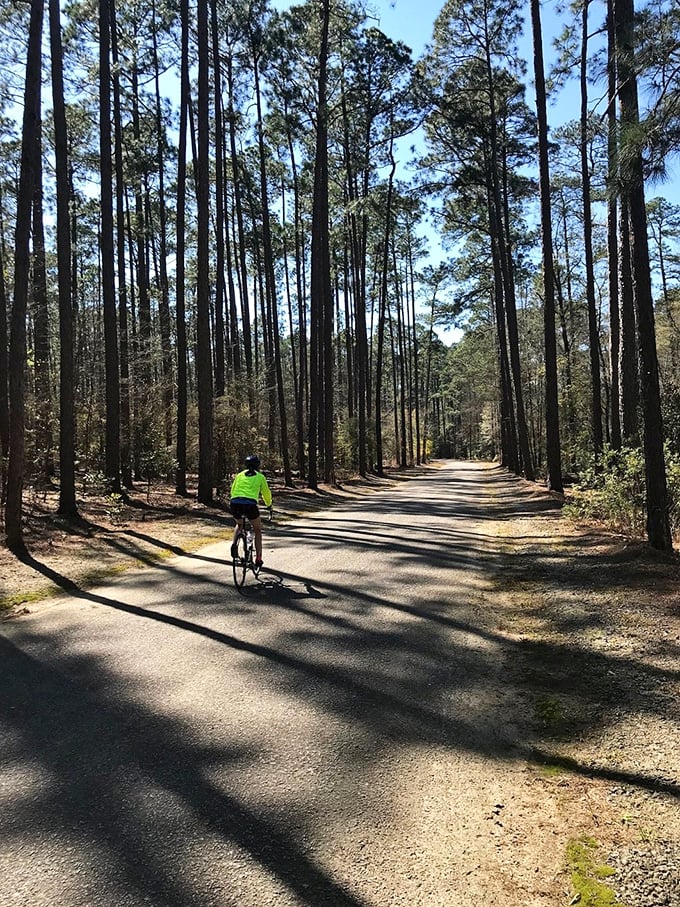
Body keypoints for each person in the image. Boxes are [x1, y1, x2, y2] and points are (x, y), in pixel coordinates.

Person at [229, 455, 272, 568]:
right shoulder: (260, 477)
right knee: (257, 529)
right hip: (250, 504)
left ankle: (234, 545)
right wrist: (269, 505)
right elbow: (266, 493)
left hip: (235, 502)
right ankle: (258, 559)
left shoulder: (239, 475)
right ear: (258, 465)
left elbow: (233, 489)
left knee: (239, 524)